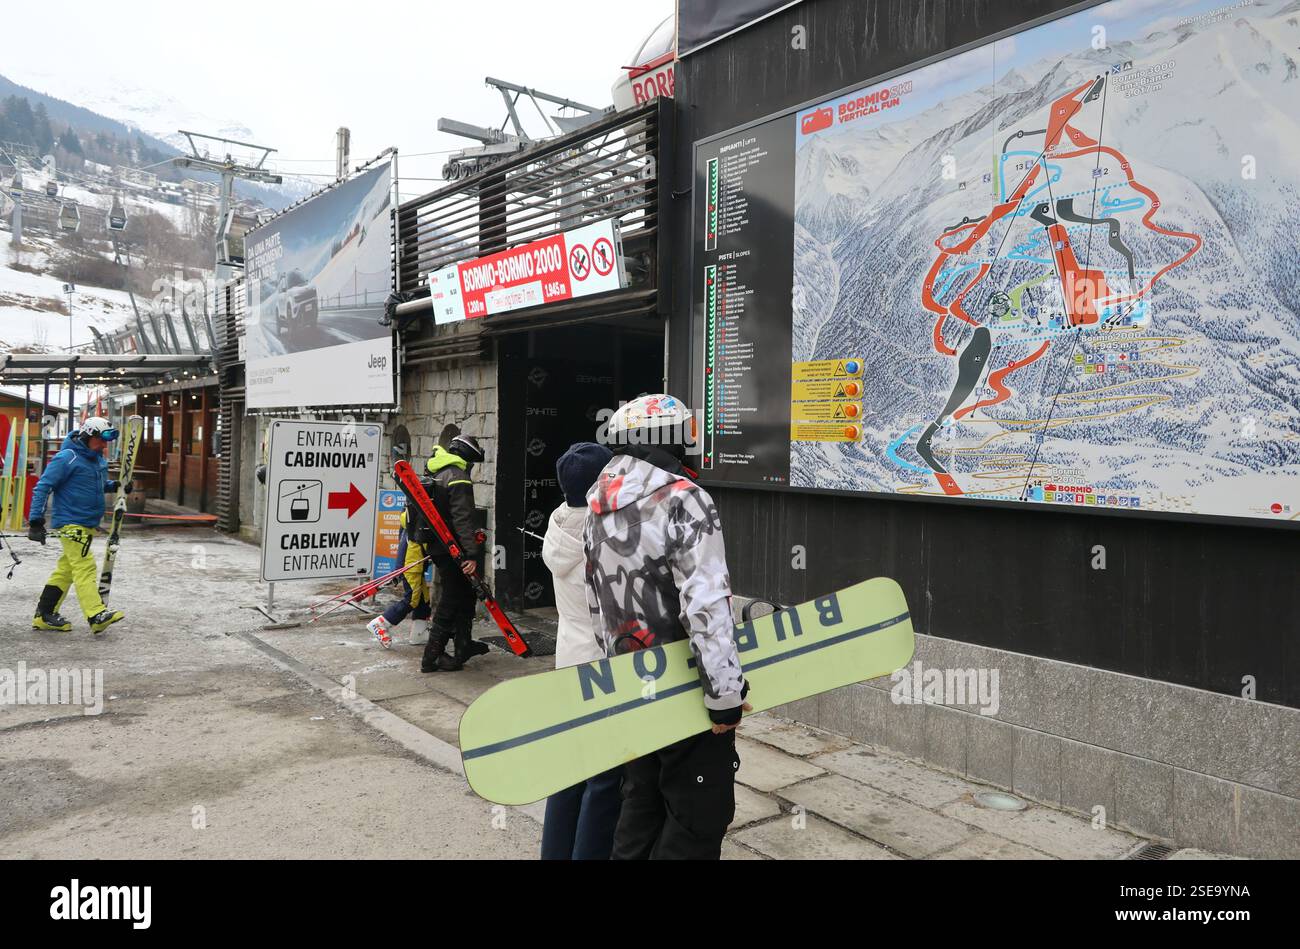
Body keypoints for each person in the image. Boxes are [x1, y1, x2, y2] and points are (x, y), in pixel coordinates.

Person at [584, 394, 751, 860]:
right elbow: (706, 605)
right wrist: (724, 696)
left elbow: (597, 604)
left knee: (640, 807)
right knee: (698, 815)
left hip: (634, 687)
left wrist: (615, 685)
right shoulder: (685, 499)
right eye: (686, 434)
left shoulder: (596, 506)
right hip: (686, 690)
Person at [540, 441, 622, 860]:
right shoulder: (603, 538)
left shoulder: (559, 526)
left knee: (568, 771)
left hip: (567, 662)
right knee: (605, 778)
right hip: (600, 670)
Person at [27, 417, 129, 635]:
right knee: (85, 566)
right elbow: (43, 487)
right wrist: (35, 520)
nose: (104, 445)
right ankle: (95, 614)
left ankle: (44, 615)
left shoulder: (98, 460)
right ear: (87, 436)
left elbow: (95, 485)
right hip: (71, 522)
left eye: (105, 441)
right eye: (100, 440)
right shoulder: (67, 458)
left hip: (88, 523)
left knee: (66, 571)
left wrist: (115, 486)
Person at [419, 434, 490, 672]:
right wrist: (470, 554)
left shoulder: (436, 472)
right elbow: (463, 519)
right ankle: (432, 657)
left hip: (438, 546)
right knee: (451, 598)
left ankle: (463, 645)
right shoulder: (458, 477)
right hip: (454, 550)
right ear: (467, 457)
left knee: (466, 593)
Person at [365, 510, 430, 649]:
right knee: (412, 599)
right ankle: (381, 623)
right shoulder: (418, 515)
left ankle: (419, 633)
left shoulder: (409, 514)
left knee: (423, 598)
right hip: (412, 563)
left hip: (412, 561)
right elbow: (425, 541)